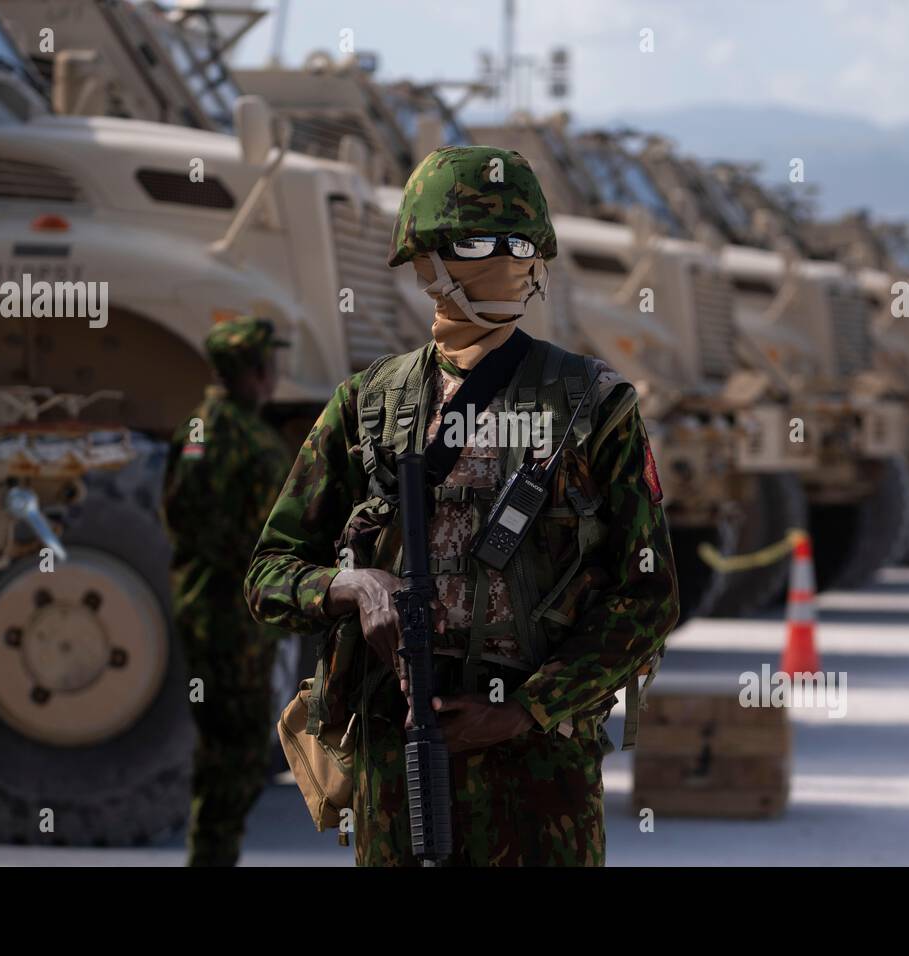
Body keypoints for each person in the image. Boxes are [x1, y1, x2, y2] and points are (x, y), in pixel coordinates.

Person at [245, 146, 679, 866]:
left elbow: (649, 597)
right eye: (480, 244)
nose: (505, 262)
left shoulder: (594, 405)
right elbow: (268, 574)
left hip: (542, 771)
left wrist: (526, 711)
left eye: (520, 245)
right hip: (400, 749)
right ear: (427, 260)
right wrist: (353, 586)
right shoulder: (369, 406)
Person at [162, 315, 294, 866]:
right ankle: (212, 856)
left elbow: (178, 513)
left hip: (207, 604)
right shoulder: (248, 440)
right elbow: (263, 536)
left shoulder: (196, 427)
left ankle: (211, 853)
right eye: (269, 364)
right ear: (255, 371)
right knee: (237, 750)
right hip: (234, 615)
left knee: (222, 743)